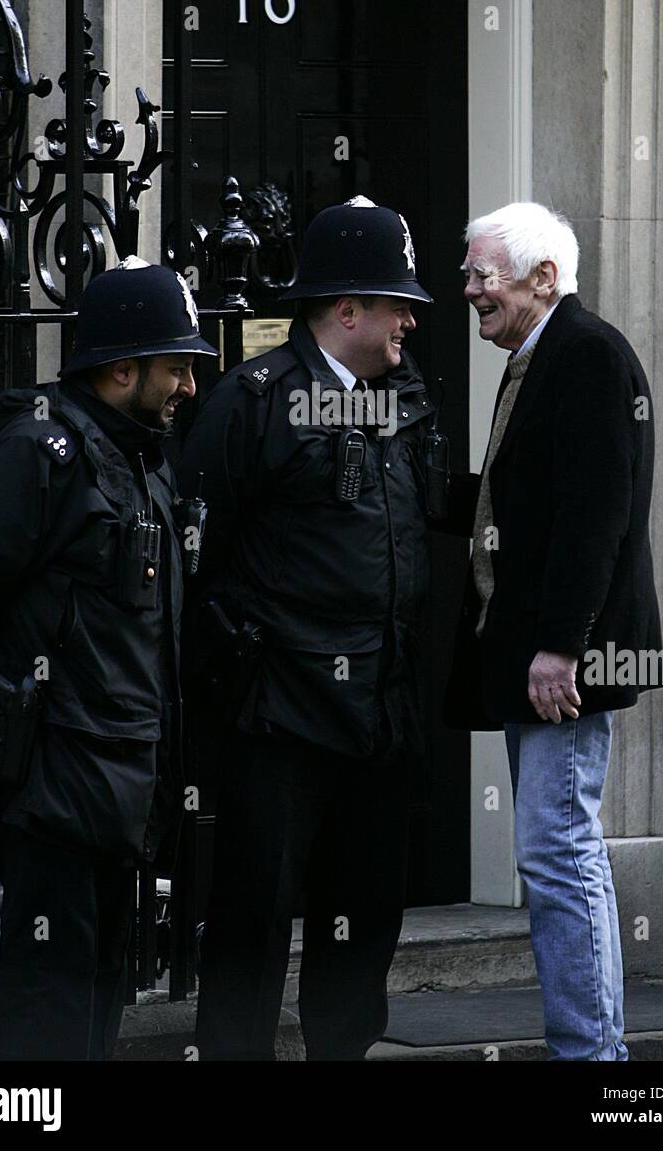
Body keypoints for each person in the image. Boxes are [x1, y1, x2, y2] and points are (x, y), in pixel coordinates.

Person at [0, 258, 216, 1060]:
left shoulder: (140, 460)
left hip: (122, 776)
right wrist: (7, 696)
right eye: (177, 366)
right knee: (51, 991)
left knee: (101, 983)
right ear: (123, 369)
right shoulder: (43, 454)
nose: (188, 386)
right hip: (53, 775)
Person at [177, 196, 441, 1061]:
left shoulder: (405, 399)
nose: (410, 317)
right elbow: (194, 555)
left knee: (362, 922)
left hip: (380, 712)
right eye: (395, 301)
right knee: (253, 923)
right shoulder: (254, 401)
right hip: (279, 718)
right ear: (345, 308)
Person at [445, 202, 663, 1062]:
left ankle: (592, 1058)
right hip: (540, 659)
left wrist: (563, 645)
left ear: (543, 277)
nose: (467, 289)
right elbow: (521, 503)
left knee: (558, 853)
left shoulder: (587, 355)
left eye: (480, 273)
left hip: (562, 666)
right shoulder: (542, 356)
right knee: (557, 852)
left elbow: (595, 514)